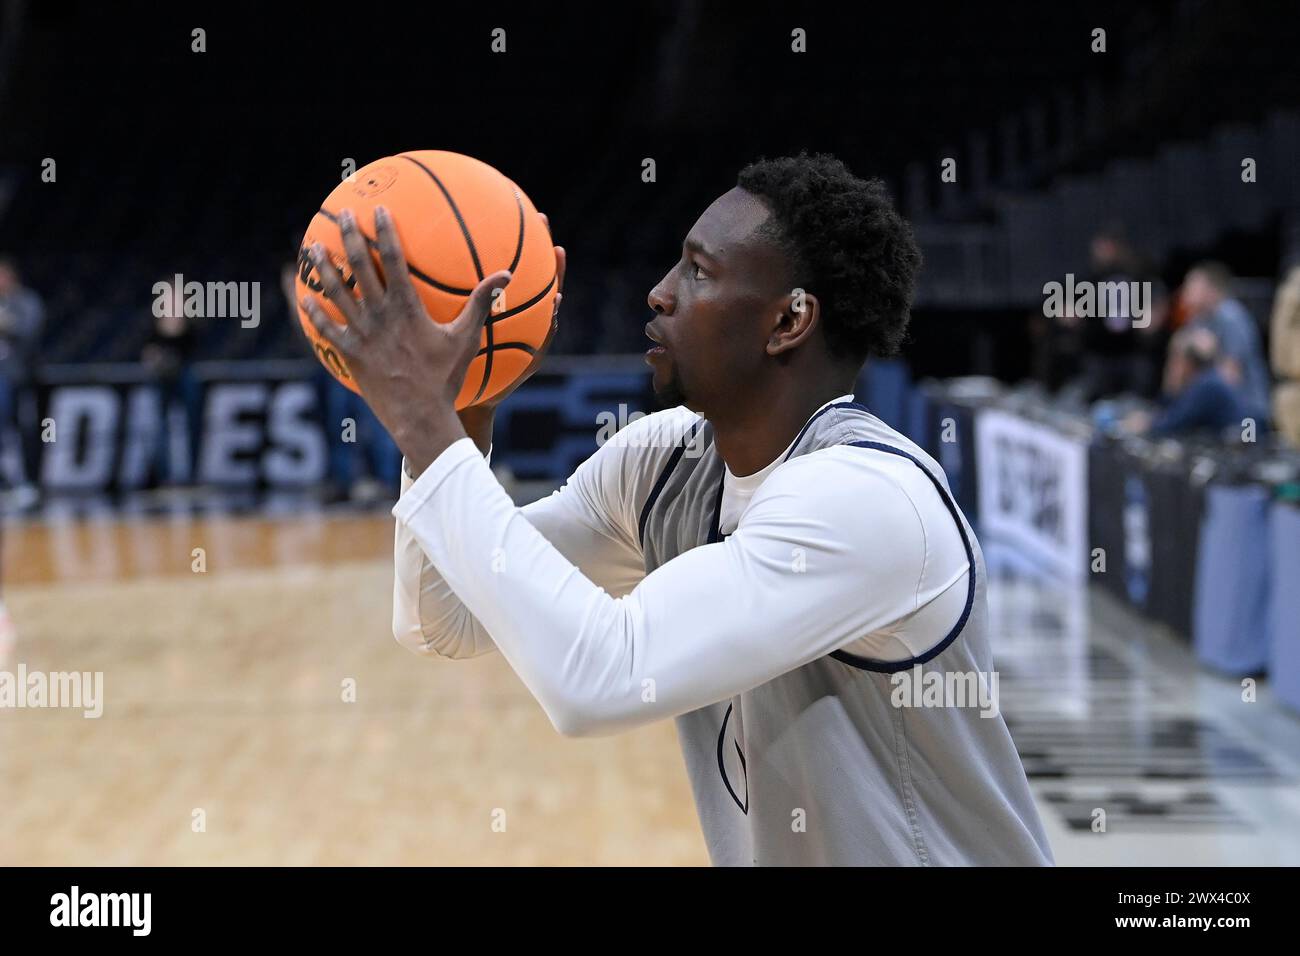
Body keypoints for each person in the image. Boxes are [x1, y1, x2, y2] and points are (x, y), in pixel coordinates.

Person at [301, 152, 1053, 866]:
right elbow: (442, 619)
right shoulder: (667, 462)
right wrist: (466, 408)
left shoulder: (866, 502)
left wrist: (423, 421)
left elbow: (600, 679)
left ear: (788, 323)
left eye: (699, 271)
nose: (660, 291)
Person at [1179, 261, 1271, 425]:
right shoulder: (1199, 319)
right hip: (1219, 410)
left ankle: (1156, 427)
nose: (1185, 291)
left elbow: (1231, 378)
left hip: (1249, 414)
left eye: (1192, 285)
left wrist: (1212, 353)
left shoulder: (1231, 317)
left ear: (1210, 290)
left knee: (1209, 384)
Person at [1123, 327, 1246, 438]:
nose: (1170, 364)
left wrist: (1146, 424)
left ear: (1188, 362)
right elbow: (1166, 408)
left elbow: (1174, 422)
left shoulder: (1209, 385)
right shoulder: (1199, 382)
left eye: (1175, 359)